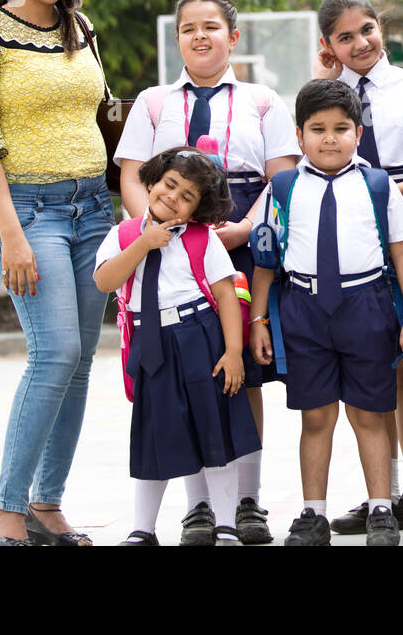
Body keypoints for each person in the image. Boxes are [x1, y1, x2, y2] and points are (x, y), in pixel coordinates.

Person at [114, 0, 298, 544]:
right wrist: (155, 228)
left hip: (240, 238)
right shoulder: (152, 102)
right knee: (185, 373)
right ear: (177, 40)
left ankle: (246, 502)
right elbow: (130, 173)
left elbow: (281, 174)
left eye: (211, 27)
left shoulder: (263, 100)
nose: (200, 36)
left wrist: (244, 227)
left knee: (241, 374)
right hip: (169, 245)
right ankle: (198, 506)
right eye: (189, 28)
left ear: (233, 36)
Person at [0, 0, 114, 546]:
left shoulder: (82, 27)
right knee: (54, 354)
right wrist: (12, 234)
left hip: (93, 210)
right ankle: (6, 514)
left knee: (80, 365)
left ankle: (48, 507)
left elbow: (99, 115)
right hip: (28, 212)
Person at [246, 80, 403, 546]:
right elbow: (266, 262)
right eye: (318, 129)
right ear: (300, 135)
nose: (330, 139)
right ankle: (313, 513)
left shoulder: (377, 184)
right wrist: (259, 320)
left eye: (341, 128)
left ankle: (382, 509)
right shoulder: (281, 187)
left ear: (358, 133)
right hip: (304, 309)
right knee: (316, 416)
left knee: (369, 412)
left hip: (365, 306)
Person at [313, 0, 403, 538]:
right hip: (351, 251)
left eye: (366, 29)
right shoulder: (327, 97)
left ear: (380, 27)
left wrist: (383, 191)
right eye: (344, 37)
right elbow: (312, 157)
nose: (360, 42)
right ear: (329, 46)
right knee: (369, 374)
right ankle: (382, 496)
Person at [94, 147, 258, 545]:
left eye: (187, 196)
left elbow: (224, 296)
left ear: (197, 210)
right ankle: (142, 529)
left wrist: (233, 353)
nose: (173, 197)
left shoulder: (203, 240)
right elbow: (105, 281)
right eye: (170, 185)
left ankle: (226, 525)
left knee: (215, 433)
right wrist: (143, 244)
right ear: (152, 181)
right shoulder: (123, 234)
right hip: (152, 343)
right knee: (156, 435)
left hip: (199, 337)